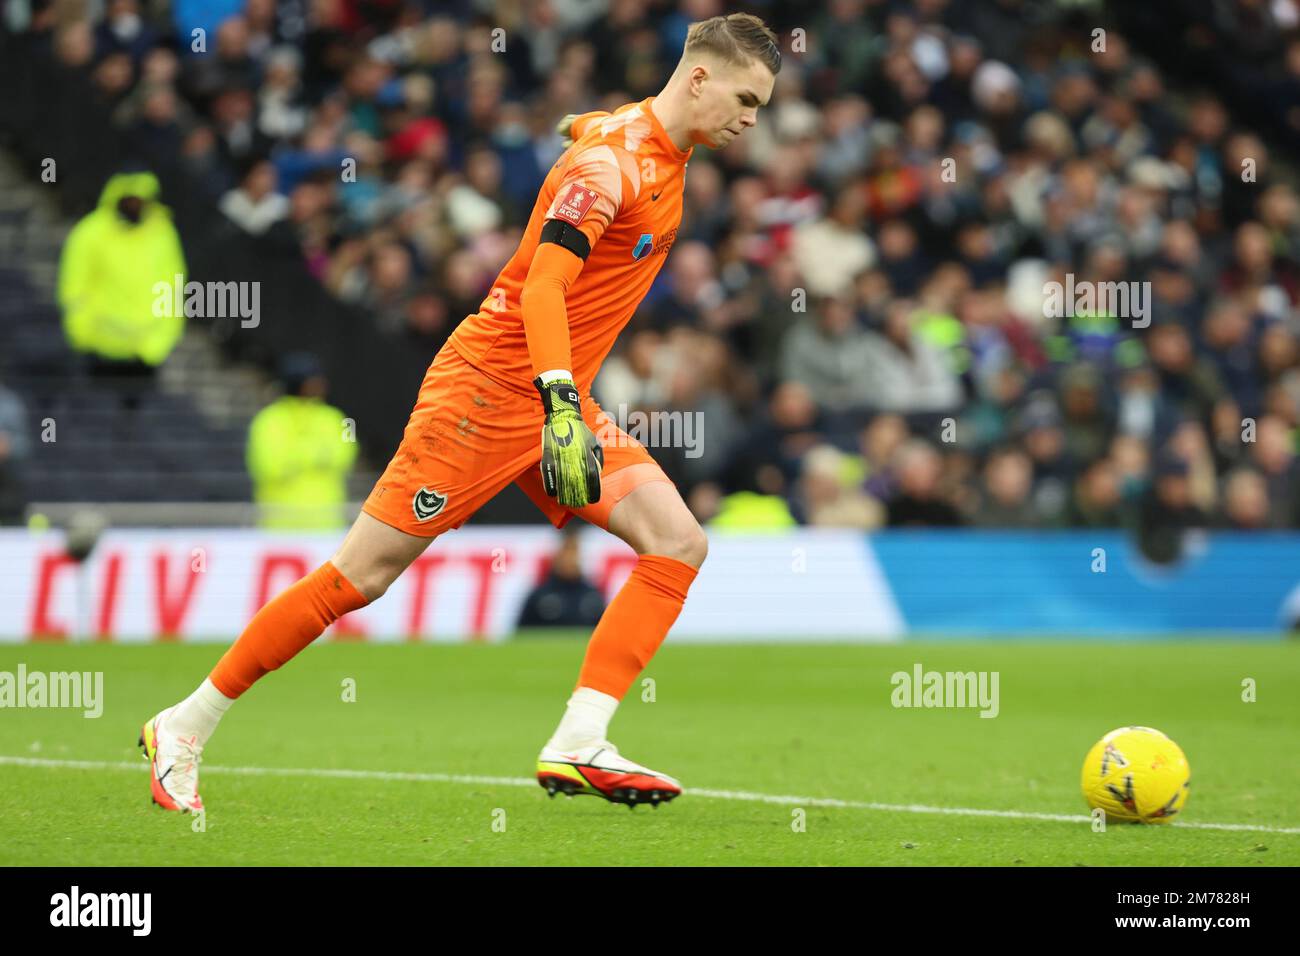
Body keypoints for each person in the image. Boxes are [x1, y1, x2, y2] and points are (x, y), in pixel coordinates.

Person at [138, 13, 781, 812]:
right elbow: (544, 285)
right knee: (358, 578)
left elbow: (590, 123)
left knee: (678, 542)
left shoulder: (638, 137)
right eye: (746, 98)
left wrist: (570, 126)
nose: (753, 119)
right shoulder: (611, 167)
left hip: (556, 397)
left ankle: (580, 737)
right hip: (489, 394)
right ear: (698, 80)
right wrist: (558, 405)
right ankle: (186, 724)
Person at [57, 170, 187, 408]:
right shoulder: (91, 232)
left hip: (146, 352)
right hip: (98, 349)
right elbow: (74, 286)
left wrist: (162, 338)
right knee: (92, 420)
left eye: (141, 201)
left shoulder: (162, 233)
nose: (135, 206)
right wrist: (82, 333)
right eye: (130, 200)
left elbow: (173, 285)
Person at [246, 353, 359, 530]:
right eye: (315, 379)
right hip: (279, 527)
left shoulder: (337, 418)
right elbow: (270, 466)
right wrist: (319, 454)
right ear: (301, 383)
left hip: (326, 525)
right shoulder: (267, 420)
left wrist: (295, 456)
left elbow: (346, 456)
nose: (322, 385)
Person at [516, 526, 607, 630]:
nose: (569, 557)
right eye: (566, 550)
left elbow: (605, 634)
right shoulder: (540, 595)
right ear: (556, 554)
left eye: (574, 551)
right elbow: (521, 636)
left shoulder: (593, 595)